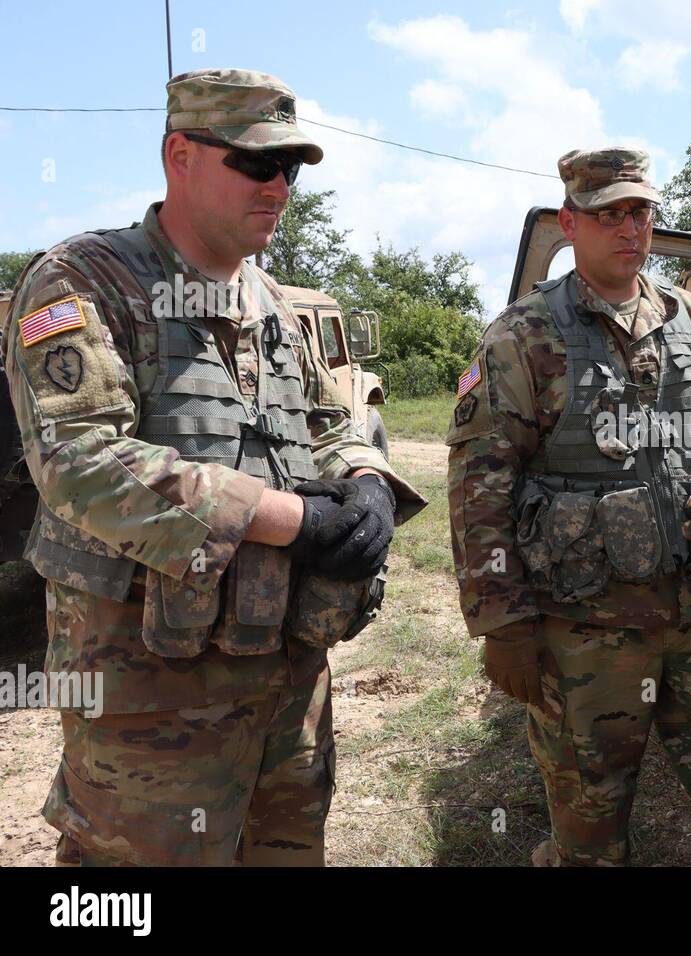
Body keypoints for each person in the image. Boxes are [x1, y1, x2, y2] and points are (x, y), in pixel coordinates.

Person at [3, 67, 425, 866]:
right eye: (257, 164)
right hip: (146, 693)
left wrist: (368, 485)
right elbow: (80, 460)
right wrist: (295, 519)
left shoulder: (273, 304)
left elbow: (335, 422)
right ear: (180, 155)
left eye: (290, 170)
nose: (280, 187)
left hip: (288, 675)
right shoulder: (86, 282)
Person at [447, 147, 691, 866]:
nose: (629, 228)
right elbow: (481, 484)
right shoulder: (524, 334)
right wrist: (501, 619)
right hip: (586, 631)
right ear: (570, 223)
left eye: (641, 211)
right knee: (589, 830)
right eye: (609, 214)